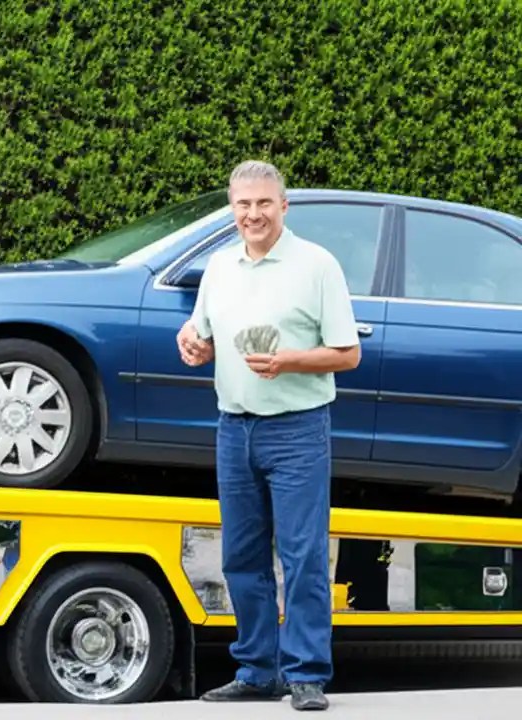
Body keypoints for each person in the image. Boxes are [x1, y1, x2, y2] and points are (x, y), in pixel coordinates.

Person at [176, 160, 361, 712]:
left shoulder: (317, 265)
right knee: (240, 556)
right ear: (231, 209)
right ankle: (258, 670)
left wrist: (288, 362)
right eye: (242, 205)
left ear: (284, 206)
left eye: (263, 203)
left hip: (299, 429)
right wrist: (190, 343)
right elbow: (200, 333)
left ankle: (305, 675)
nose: (253, 214)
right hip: (233, 428)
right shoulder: (219, 265)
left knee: (303, 556)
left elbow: (348, 353)